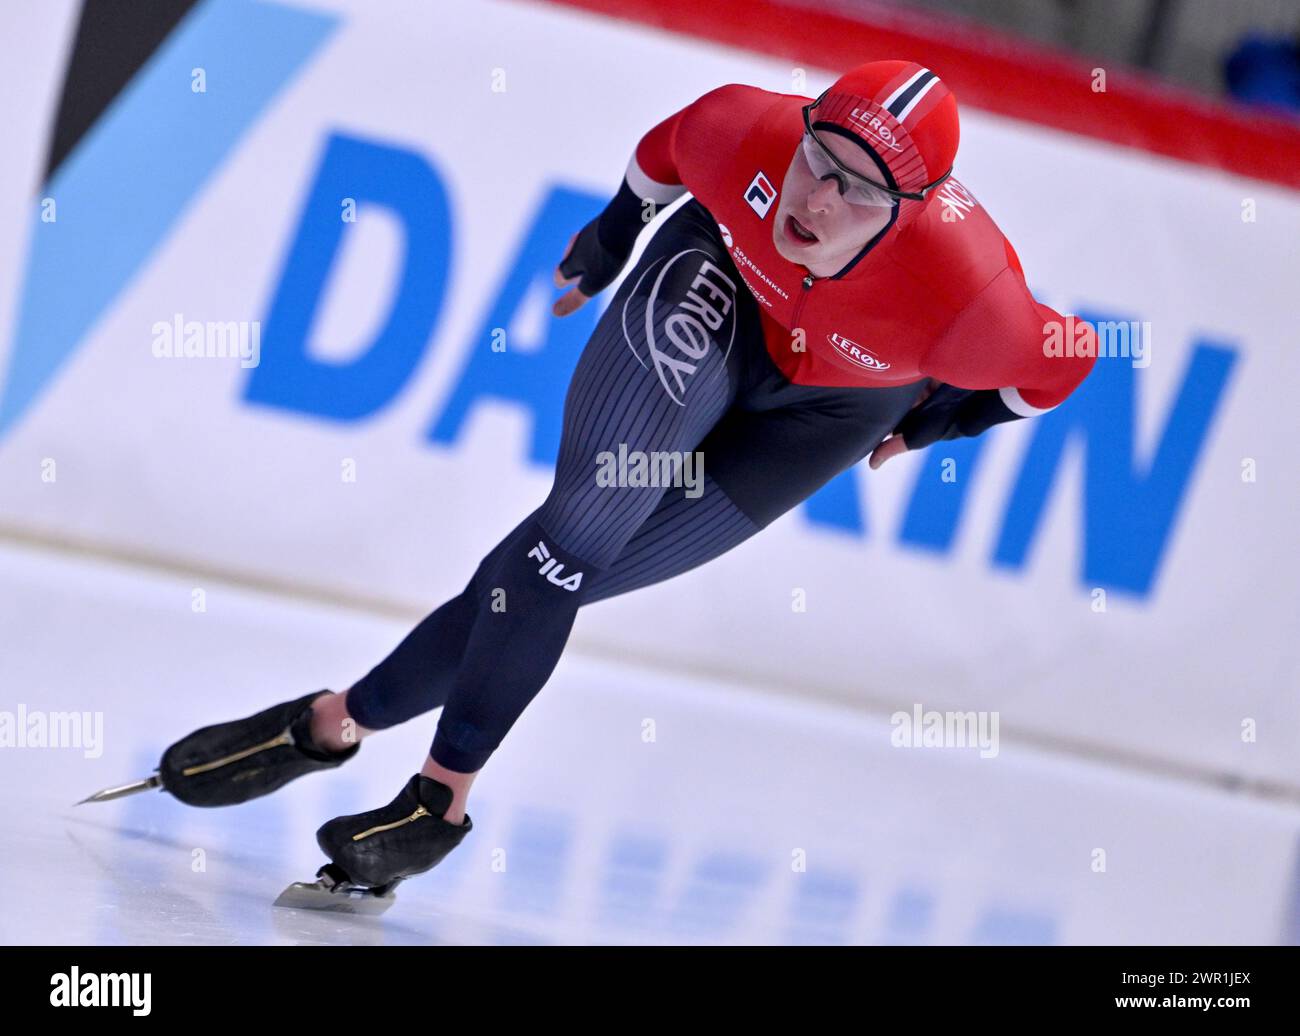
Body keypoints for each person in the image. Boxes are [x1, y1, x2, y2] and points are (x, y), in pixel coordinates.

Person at [112, 60, 1098, 902]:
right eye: (817, 160)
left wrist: (953, 418)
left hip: (832, 410)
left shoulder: (972, 304)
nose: (818, 200)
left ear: (912, 212)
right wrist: (616, 230)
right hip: (713, 286)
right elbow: (664, 155)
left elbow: (1064, 361)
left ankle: (329, 724)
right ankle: (437, 800)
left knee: (552, 576)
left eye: (860, 194)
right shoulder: (744, 130)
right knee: (568, 543)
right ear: (797, 131)